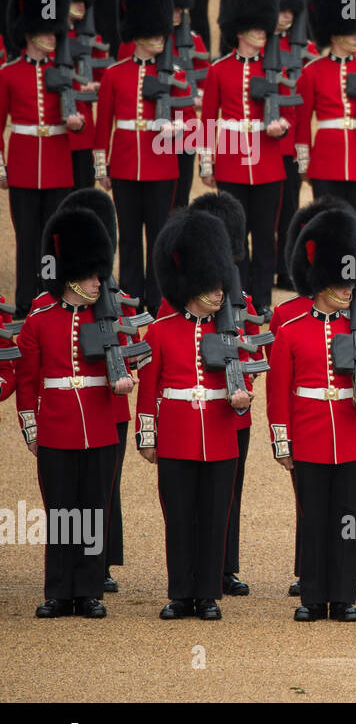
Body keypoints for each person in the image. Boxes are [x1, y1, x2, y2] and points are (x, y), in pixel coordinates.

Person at [267, 204, 356, 622]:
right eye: (339, 283)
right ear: (321, 282)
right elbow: (278, 391)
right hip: (310, 434)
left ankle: (344, 596)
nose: (348, 290)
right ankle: (313, 597)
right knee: (315, 519)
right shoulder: (291, 329)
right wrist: (282, 443)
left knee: (348, 520)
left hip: (352, 435)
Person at [136, 209, 250, 620]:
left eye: (221, 284)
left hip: (219, 433)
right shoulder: (161, 331)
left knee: (214, 515)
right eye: (211, 286)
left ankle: (207, 594)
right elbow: (149, 389)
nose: (220, 293)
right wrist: (147, 435)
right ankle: (180, 592)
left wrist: (242, 397)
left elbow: (244, 379)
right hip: (179, 434)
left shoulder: (229, 331)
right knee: (179, 517)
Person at [16, 203, 126, 619]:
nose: (100, 281)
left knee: (94, 509)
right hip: (58, 427)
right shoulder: (40, 318)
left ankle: (89, 589)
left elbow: (125, 361)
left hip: (99, 426)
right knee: (61, 511)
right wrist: (32, 428)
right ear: (71, 276)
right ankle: (60, 590)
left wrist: (126, 380)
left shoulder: (109, 317)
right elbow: (27, 382)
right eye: (92, 275)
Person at [266, 192, 355, 598]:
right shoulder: (287, 317)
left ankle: (335, 581)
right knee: (311, 505)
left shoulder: (354, 318)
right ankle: (312, 574)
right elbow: (279, 382)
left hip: (343, 429)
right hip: (307, 426)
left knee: (343, 513)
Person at [94, 0, 193, 313]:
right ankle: (130, 298)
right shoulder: (114, 74)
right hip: (122, 165)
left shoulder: (176, 75)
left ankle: (157, 300)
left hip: (161, 167)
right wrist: (101, 167)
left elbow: (192, 122)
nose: (160, 39)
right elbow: (102, 127)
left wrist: (176, 129)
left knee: (158, 240)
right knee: (129, 239)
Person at [188, 189, 263, 597]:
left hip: (235, 412)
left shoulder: (242, 301)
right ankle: (194, 568)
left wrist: (243, 389)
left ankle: (225, 566)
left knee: (229, 488)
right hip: (193, 409)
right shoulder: (178, 303)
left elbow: (255, 351)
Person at [1, 0, 83, 317]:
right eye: (46, 31)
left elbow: (83, 116)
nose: (53, 37)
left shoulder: (65, 72)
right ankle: (25, 302)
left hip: (57, 162)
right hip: (21, 163)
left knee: (52, 240)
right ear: (30, 32)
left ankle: (48, 297)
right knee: (27, 240)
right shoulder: (8, 73)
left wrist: (77, 122)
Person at [295, 0, 356, 287]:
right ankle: (328, 289)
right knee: (329, 230)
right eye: (349, 32)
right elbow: (302, 123)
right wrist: (304, 163)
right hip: (328, 159)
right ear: (333, 34)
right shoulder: (312, 72)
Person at [246, 0, 312, 291]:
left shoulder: (305, 51)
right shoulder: (255, 51)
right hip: (260, 143)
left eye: (290, 10)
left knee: (289, 212)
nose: (285, 16)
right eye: (280, 9)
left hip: (289, 143)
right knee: (259, 217)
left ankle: (286, 269)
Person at [134, 0, 208, 211]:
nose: (177, 10)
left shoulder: (194, 41)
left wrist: (199, 97)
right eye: (171, 5)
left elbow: (206, 82)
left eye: (180, 6)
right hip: (154, 131)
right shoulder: (141, 42)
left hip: (185, 132)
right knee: (155, 206)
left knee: (180, 202)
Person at [44, 0, 105, 193]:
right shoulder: (45, 38)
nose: (80, 4)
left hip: (83, 137)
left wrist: (99, 86)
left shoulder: (93, 41)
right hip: (54, 132)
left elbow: (107, 81)